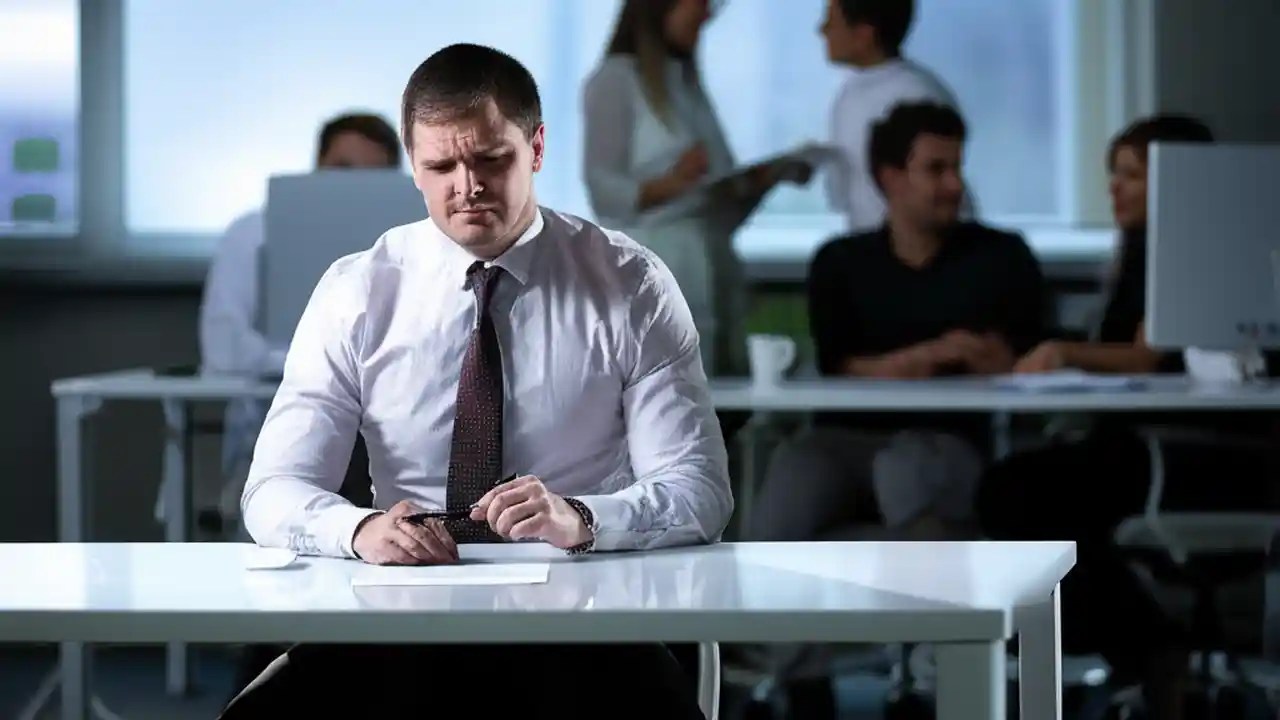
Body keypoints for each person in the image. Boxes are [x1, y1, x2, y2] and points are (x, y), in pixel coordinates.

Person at [219, 43, 731, 719]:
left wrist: (579, 517)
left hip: (580, 617)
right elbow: (273, 492)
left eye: (492, 159)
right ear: (413, 167)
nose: (468, 186)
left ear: (537, 148)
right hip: (401, 613)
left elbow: (699, 491)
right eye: (441, 166)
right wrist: (359, 530)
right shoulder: (358, 290)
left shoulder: (629, 283)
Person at [975, 114, 1280, 720]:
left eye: (1133, 176)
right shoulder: (1139, 256)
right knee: (1018, 492)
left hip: (1196, 454)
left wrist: (1065, 353)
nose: (1115, 190)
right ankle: (1143, 644)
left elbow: (1148, 352)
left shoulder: (1209, 260)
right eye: (1112, 174)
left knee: (1015, 494)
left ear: (1178, 185)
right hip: (1144, 445)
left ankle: (1146, 646)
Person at [750, 101, 1045, 545]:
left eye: (957, 167)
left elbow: (1020, 360)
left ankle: (922, 606)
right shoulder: (840, 262)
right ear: (890, 177)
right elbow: (839, 364)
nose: (955, 184)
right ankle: (757, 607)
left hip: (947, 438)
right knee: (795, 470)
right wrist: (930, 356)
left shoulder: (1002, 256)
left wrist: (910, 363)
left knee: (907, 469)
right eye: (936, 169)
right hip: (848, 436)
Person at [582, 0, 808, 377]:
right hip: (654, 274)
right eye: (700, 3)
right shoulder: (615, 80)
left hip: (712, 269)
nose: (707, 15)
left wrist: (760, 182)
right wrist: (674, 182)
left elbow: (715, 206)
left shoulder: (685, 82)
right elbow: (604, 192)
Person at [198, 112, 401, 526]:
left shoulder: (408, 247)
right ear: (317, 165)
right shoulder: (253, 233)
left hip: (387, 432)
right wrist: (323, 363)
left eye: (369, 177)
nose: (348, 187)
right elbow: (222, 348)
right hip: (277, 419)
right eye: (341, 169)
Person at [819, 0, 969, 233]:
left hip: (926, 253)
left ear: (863, 34)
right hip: (870, 251)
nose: (821, 30)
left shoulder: (918, 95)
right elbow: (842, 193)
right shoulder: (849, 93)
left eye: (831, 21)